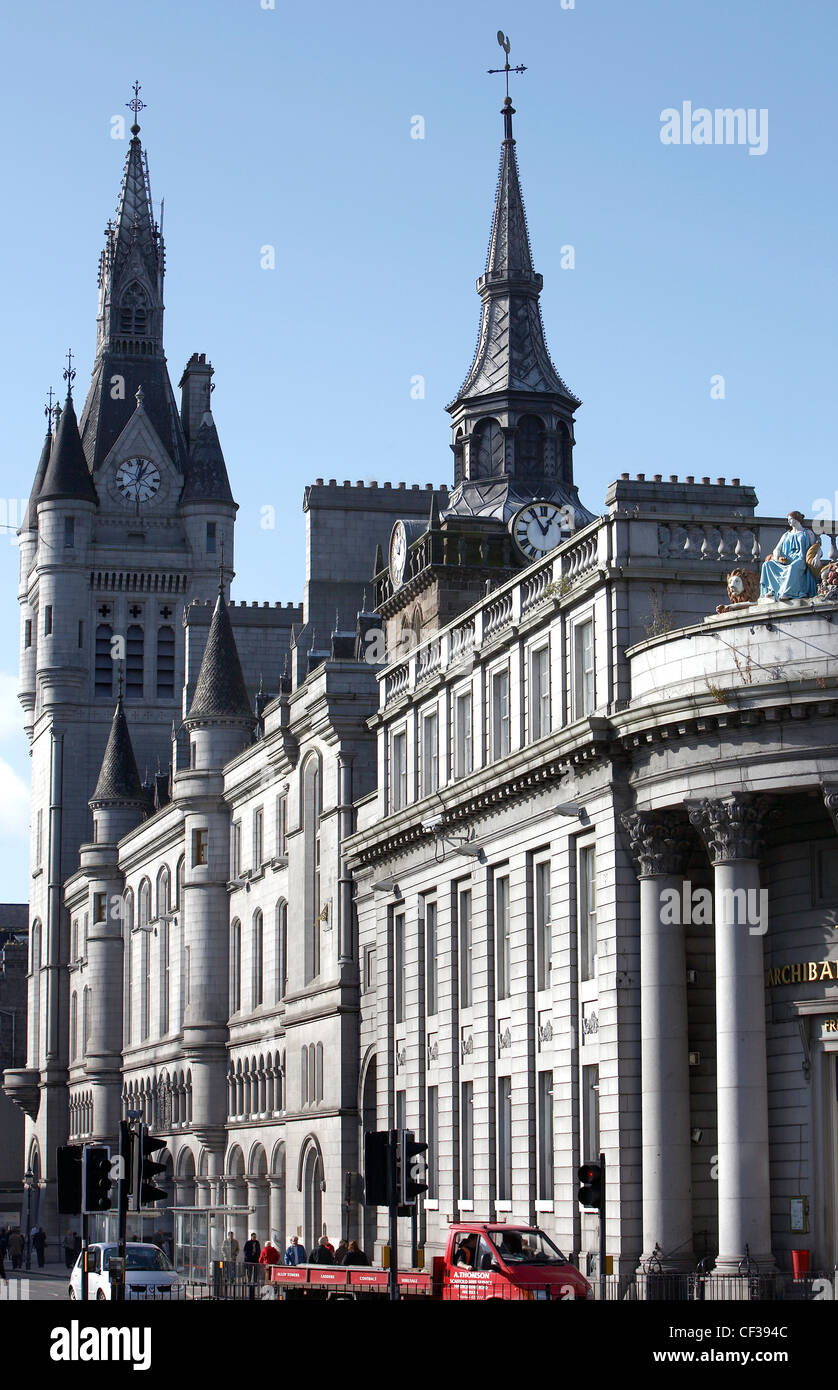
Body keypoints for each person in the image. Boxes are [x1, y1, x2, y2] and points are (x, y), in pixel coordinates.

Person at [760, 511, 819, 601]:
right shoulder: (786, 535)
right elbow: (776, 549)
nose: (789, 522)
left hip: (800, 560)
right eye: (788, 520)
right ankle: (772, 590)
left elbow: (817, 548)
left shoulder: (807, 533)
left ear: (796, 519)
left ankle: (788, 592)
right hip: (786, 560)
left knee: (792, 567)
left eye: (790, 519)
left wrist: (817, 557)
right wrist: (777, 558)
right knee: (767, 565)